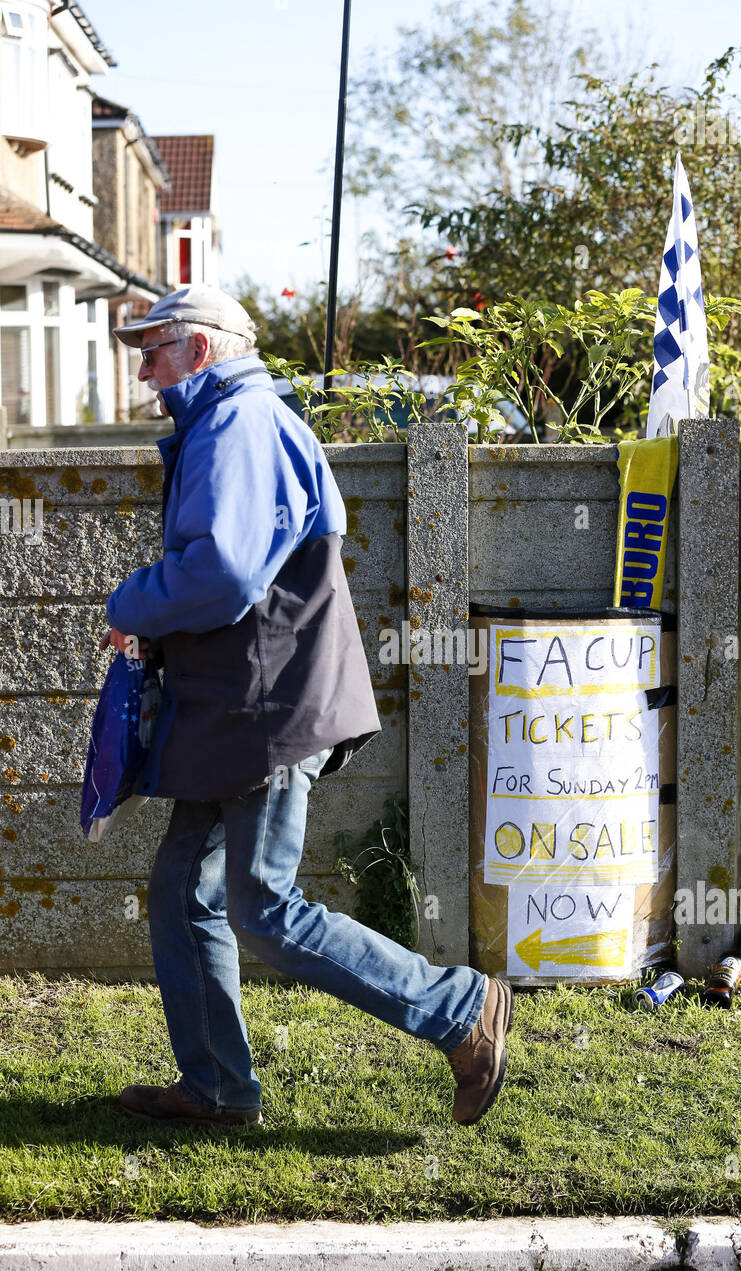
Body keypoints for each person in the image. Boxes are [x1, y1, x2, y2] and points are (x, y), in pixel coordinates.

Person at [103, 286, 513, 1129]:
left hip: (265, 709)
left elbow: (221, 574)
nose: (143, 370)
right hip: (234, 708)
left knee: (263, 906)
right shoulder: (227, 422)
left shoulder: (238, 425)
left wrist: (131, 606)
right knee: (184, 892)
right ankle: (216, 1087)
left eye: (152, 349)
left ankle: (459, 1009)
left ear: (201, 350)